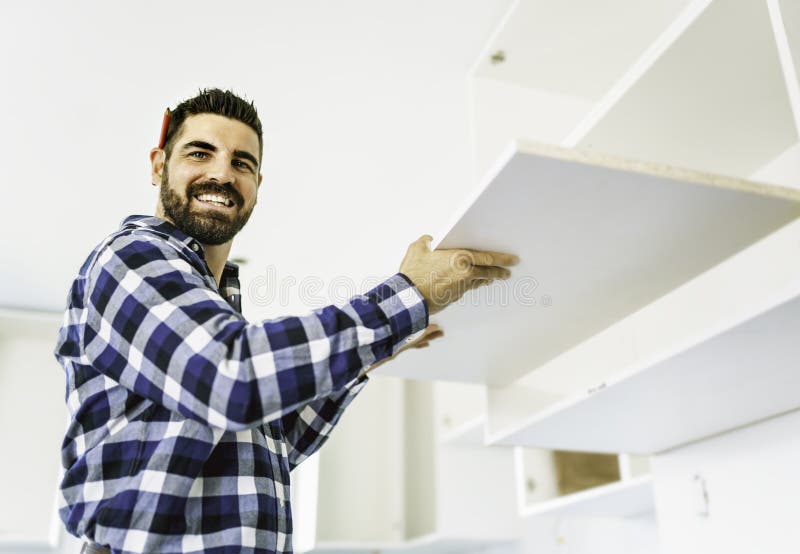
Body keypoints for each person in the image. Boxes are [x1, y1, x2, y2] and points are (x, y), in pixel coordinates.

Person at [54, 88, 517, 554]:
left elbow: (267, 450)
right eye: (201, 152)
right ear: (159, 165)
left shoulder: (215, 310)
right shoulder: (131, 257)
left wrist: (369, 356)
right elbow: (232, 376)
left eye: (242, 163)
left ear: (257, 185)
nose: (221, 173)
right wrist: (406, 297)